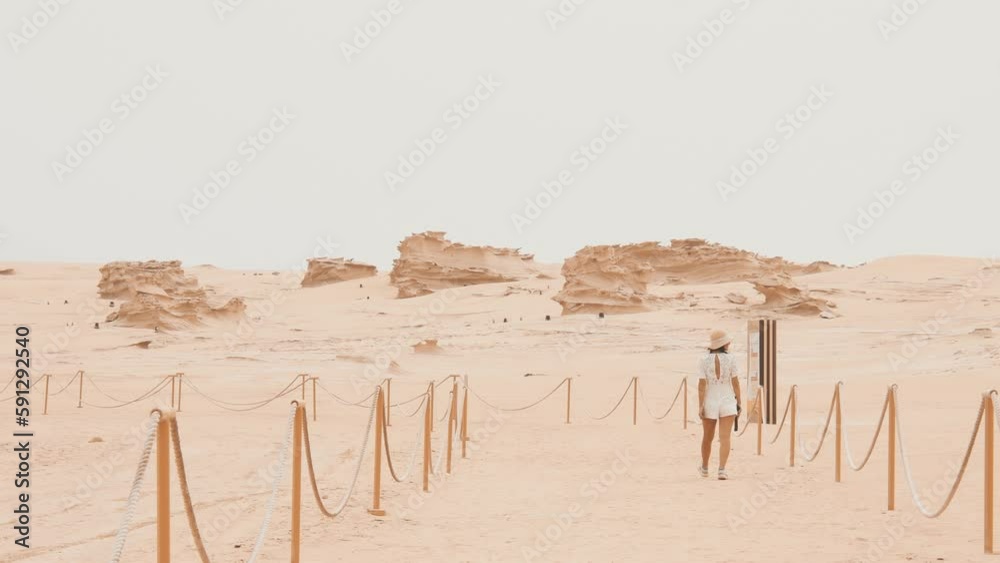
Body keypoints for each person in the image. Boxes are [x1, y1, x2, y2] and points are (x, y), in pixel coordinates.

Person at [697, 329, 742, 480]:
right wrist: (739, 401)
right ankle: (721, 470)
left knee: (707, 437)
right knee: (725, 438)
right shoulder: (731, 359)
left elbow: (702, 385)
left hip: (710, 399)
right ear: (724, 344)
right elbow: (735, 382)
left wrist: (700, 405)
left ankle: (704, 468)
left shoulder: (703, 360)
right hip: (727, 399)